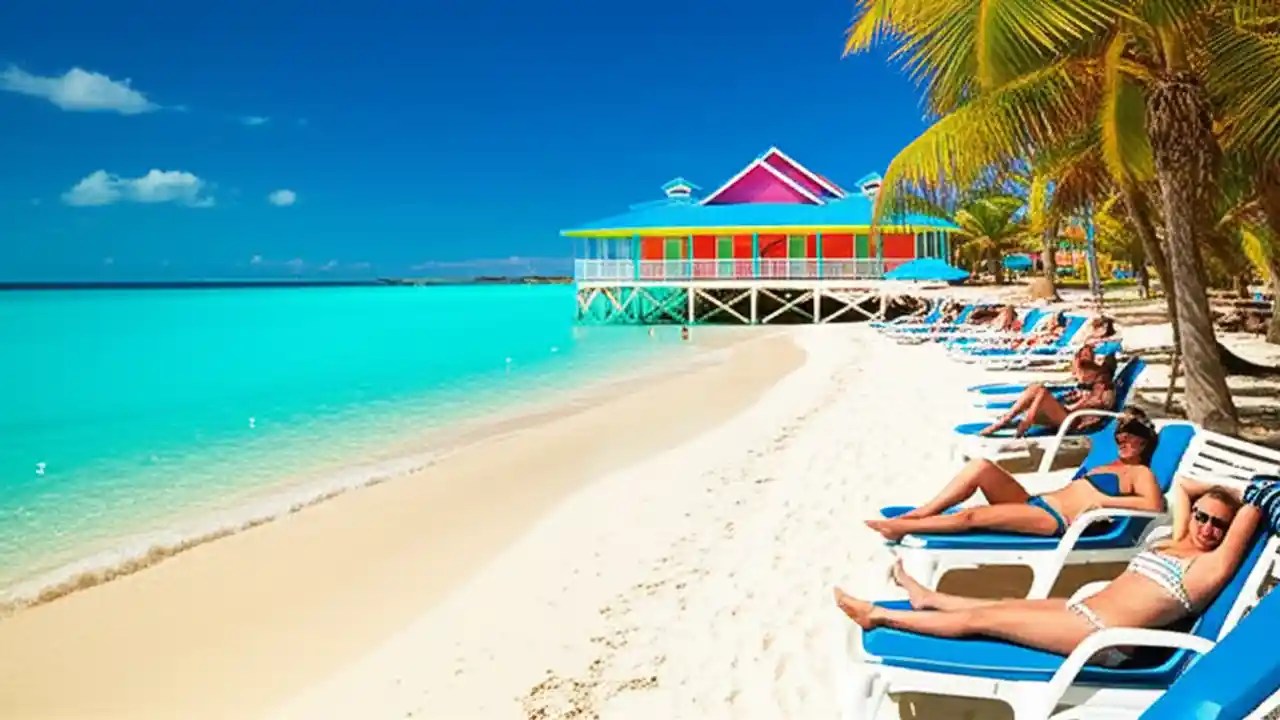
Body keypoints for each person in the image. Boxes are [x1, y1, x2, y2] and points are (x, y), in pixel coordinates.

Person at [840, 479, 1262, 667]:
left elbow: (1251, 511)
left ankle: (879, 615)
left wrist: (1248, 499)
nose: (1207, 527)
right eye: (1203, 516)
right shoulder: (1179, 538)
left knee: (984, 621)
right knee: (1000, 605)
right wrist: (1220, 494)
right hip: (1080, 612)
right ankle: (928, 599)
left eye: (1218, 525)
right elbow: (1186, 484)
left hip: (1101, 639)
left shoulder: (1208, 565)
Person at [866, 408, 1161, 541]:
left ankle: (903, 527)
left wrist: (1105, 504)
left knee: (973, 516)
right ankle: (920, 514)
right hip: (1035, 501)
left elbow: (1154, 507)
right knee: (980, 466)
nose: (1124, 441)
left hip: (1054, 520)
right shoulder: (1104, 465)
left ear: (1145, 443)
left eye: (1132, 437)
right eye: (1120, 437)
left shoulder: (1139, 473)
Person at [976, 344, 1119, 437]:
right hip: (1069, 416)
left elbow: (1091, 411)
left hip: (1073, 423)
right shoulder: (1098, 385)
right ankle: (1005, 420)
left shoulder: (1105, 390)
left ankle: (1024, 423)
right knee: (1036, 387)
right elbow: (1079, 400)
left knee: (1042, 392)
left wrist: (1074, 404)